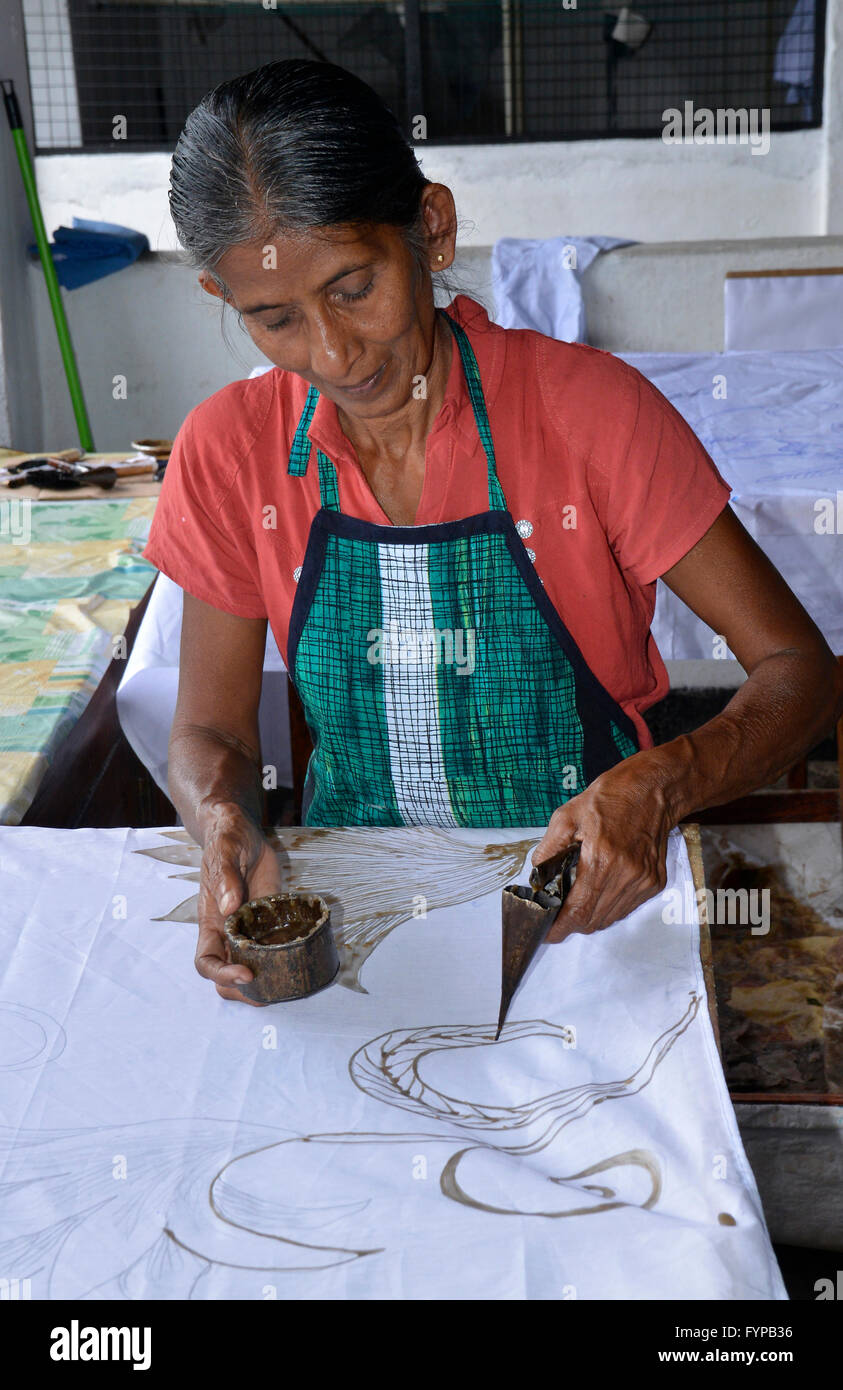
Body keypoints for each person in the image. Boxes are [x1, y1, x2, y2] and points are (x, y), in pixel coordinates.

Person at [143, 59, 843, 1006]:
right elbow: (210, 728)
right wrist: (224, 817)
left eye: (354, 287)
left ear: (430, 230)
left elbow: (798, 671)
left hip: (596, 889)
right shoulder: (228, 449)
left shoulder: (590, 413)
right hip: (360, 901)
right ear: (224, 300)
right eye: (275, 318)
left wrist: (661, 786)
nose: (333, 353)